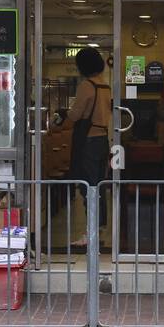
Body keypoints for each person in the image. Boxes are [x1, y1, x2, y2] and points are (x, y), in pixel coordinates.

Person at [53, 47, 111, 249]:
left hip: (88, 141)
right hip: (103, 139)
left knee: (88, 187)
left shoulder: (87, 86)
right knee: (99, 185)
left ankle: (90, 233)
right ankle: (99, 228)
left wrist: (63, 114)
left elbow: (76, 115)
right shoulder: (105, 86)